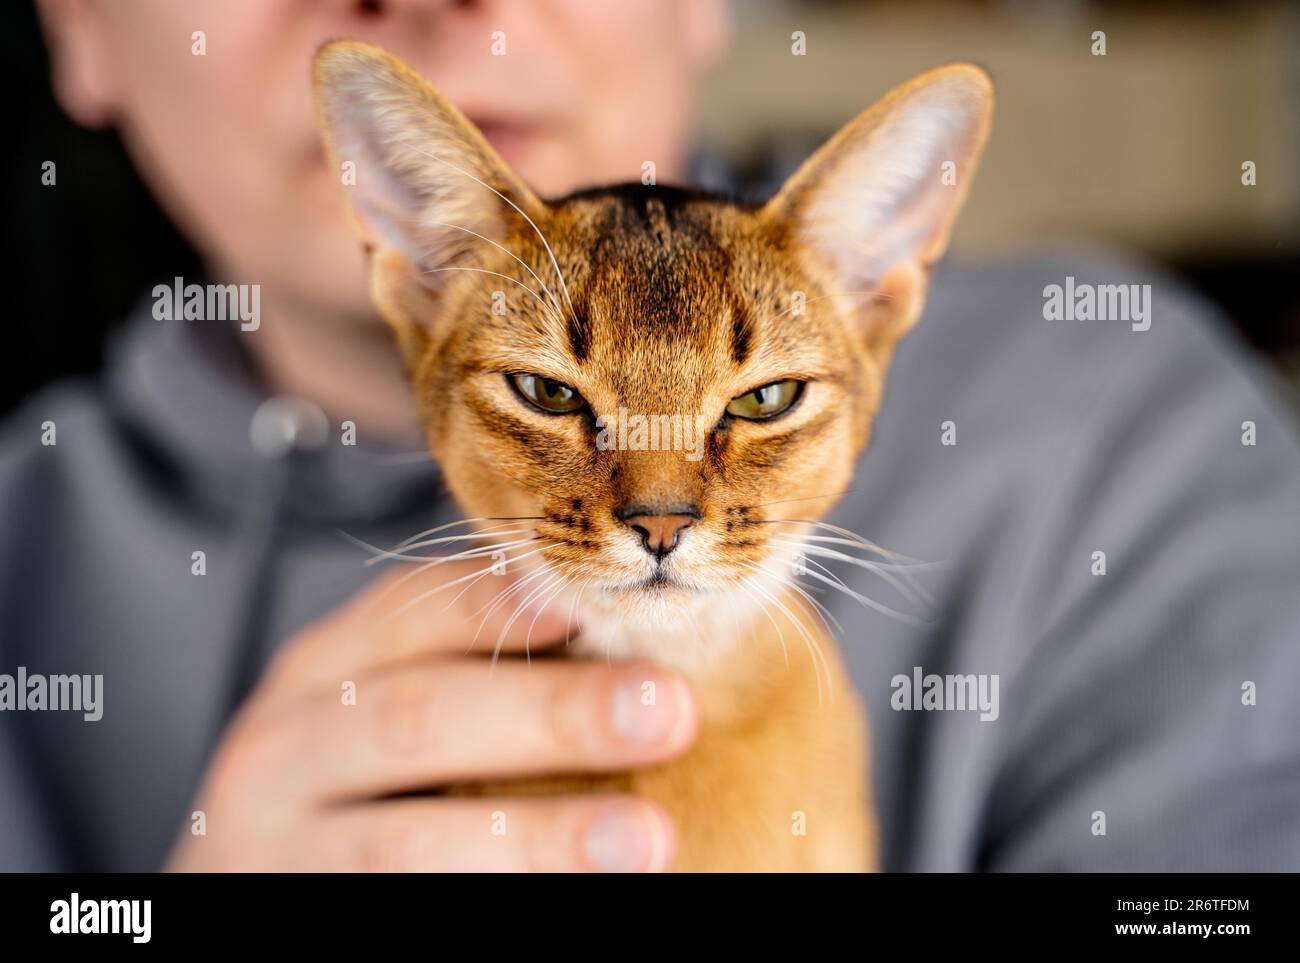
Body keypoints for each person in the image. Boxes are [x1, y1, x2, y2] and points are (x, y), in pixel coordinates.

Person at [5, 0, 1297, 872]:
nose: (661, 507)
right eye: (553, 398)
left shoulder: (1119, 425)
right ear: (76, 25)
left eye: (763, 404)